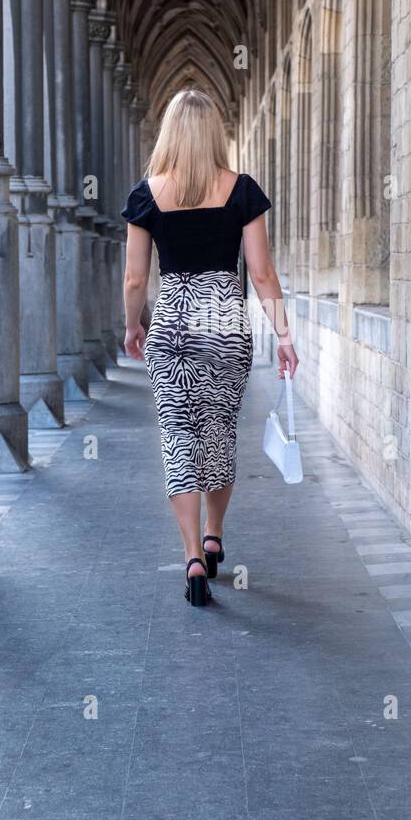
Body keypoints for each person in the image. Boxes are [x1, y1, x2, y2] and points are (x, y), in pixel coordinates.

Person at [120, 88, 299, 607]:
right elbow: (262, 274)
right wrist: (284, 335)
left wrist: (133, 326)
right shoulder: (241, 190)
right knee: (219, 432)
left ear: (169, 134)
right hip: (224, 322)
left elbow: (135, 279)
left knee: (178, 436)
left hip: (173, 323)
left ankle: (193, 556)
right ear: (215, 133)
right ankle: (216, 533)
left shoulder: (146, 195)